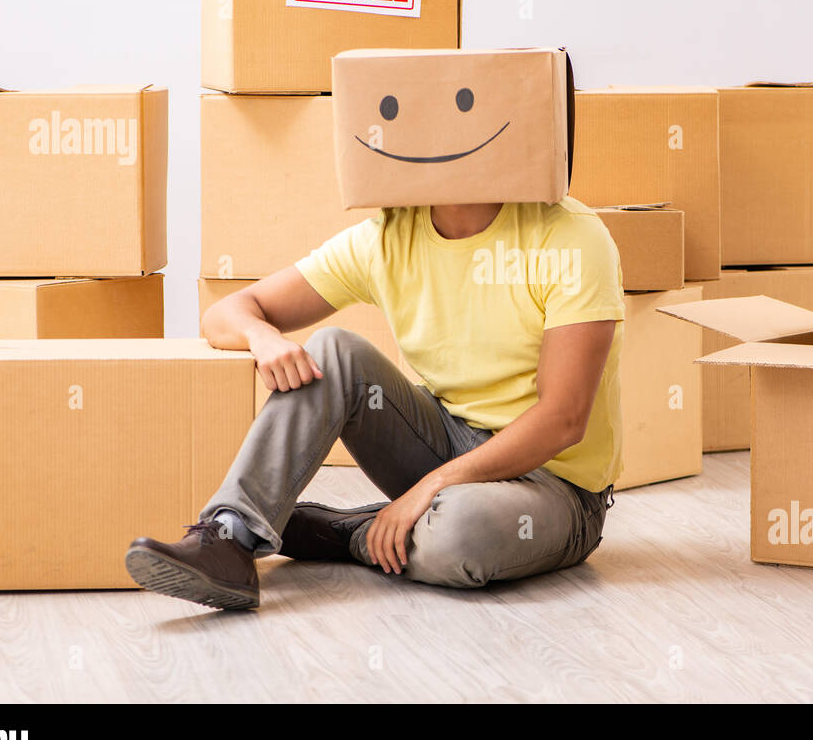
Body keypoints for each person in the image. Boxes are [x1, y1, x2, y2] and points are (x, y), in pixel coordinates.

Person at [124, 197, 624, 609]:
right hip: (449, 439)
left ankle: (350, 534)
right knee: (332, 350)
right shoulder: (387, 237)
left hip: (557, 488)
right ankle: (231, 538)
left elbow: (563, 419)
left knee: (460, 535)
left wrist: (432, 485)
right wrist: (262, 337)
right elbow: (226, 313)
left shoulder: (570, 236)